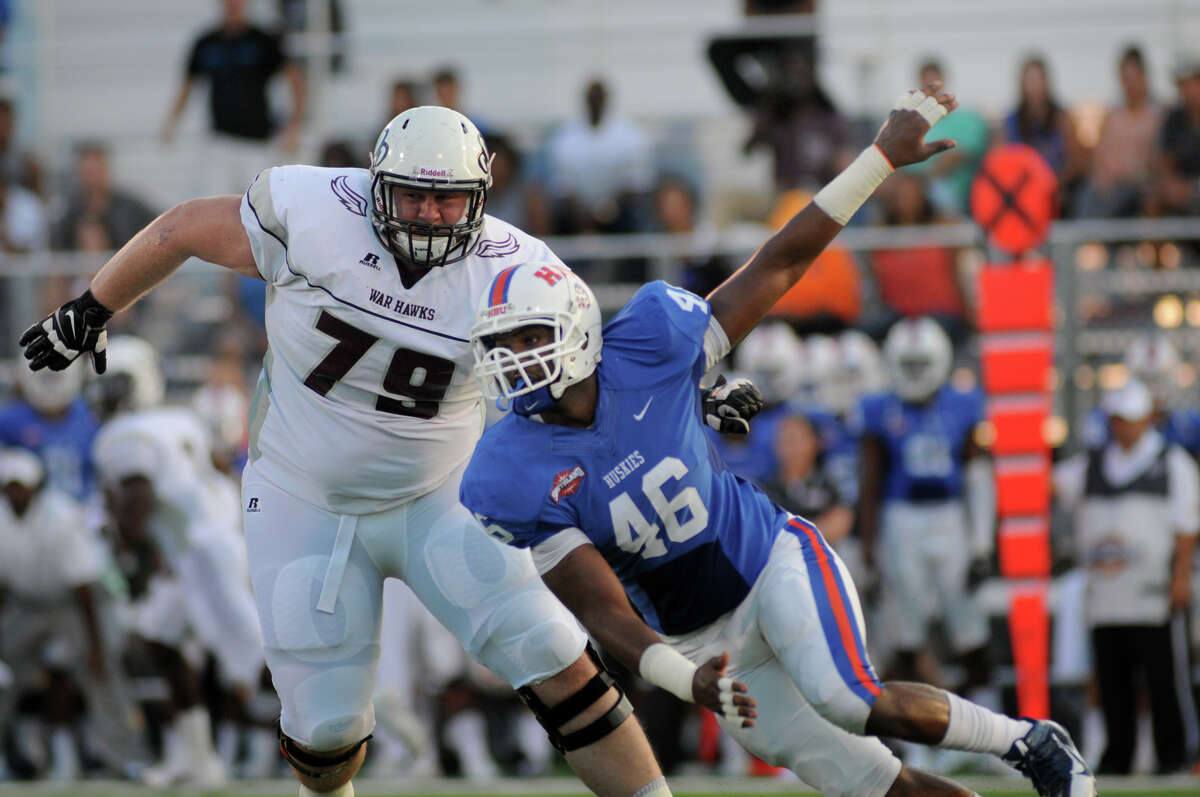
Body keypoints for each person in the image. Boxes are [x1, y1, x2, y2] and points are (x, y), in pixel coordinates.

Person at [18, 105, 677, 797]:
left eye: (447, 197)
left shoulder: (517, 273)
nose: (427, 214)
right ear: (373, 185)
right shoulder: (313, 212)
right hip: (307, 496)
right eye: (412, 194)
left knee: (558, 658)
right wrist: (91, 306)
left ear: (480, 198)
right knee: (325, 734)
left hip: (442, 496)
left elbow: (587, 386)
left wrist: (677, 407)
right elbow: (181, 227)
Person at [460, 84, 1097, 797]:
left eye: (526, 337)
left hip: (768, 559)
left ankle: (1030, 740)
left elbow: (779, 264)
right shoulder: (507, 469)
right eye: (499, 343)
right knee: (871, 784)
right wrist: (682, 674)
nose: (513, 357)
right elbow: (602, 607)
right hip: (700, 638)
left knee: (849, 697)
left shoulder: (649, 343)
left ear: (575, 324)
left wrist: (878, 159)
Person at [1053, 379, 1200, 774]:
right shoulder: (1092, 463)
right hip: (1106, 595)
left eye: (1129, 420)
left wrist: (1180, 578)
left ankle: (1173, 756)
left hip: (1151, 592)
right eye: (1117, 420)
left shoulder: (1172, 462)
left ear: (1147, 419)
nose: (1123, 428)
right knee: (1112, 679)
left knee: (1164, 679)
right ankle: (1118, 755)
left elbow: (1188, 527)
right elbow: (1050, 486)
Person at [853, 318, 998, 716]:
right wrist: (869, 551)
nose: (915, 374)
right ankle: (917, 735)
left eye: (922, 364)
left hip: (950, 517)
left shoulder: (963, 403)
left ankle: (991, 727)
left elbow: (978, 477)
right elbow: (871, 483)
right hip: (901, 520)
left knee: (969, 627)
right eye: (909, 364)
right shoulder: (879, 408)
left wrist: (982, 544)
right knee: (906, 632)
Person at [0, 447, 147, 780]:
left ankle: (125, 757)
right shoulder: (2, 520)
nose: (15, 493)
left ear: (36, 486)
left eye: (20, 485)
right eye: (9, 486)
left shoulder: (62, 516)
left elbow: (82, 588)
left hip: (75, 604)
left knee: (102, 669)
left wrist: (94, 648)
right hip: (25, 605)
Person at [160, 0, 306, 193]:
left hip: (257, 142)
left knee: (258, 206)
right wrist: (172, 122)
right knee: (214, 203)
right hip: (220, 140)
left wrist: (294, 124)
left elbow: (295, 79)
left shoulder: (262, 40)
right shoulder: (206, 42)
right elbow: (188, 85)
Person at [1074, 47, 1161, 219]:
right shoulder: (1113, 115)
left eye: (1133, 77)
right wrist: (1102, 177)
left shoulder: (1157, 115)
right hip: (1108, 187)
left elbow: (1155, 159)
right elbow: (1099, 156)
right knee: (1086, 198)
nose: (1129, 84)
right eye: (1125, 78)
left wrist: (1131, 174)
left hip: (1137, 188)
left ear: (1143, 77)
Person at [50, 142, 158, 252]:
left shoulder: (132, 208)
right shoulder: (69, 212)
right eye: (87, 172)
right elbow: (57, 248)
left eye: (96, 170)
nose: (92, 178)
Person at [1146, 53, 1200, 217]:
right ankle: (1150, 242)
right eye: (1184, 85)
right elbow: (1164, 161)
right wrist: (1170, 182)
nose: (1189, 90)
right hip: (1183, 187)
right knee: (1153, 198)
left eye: (1193, 83)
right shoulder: (1174, 119)